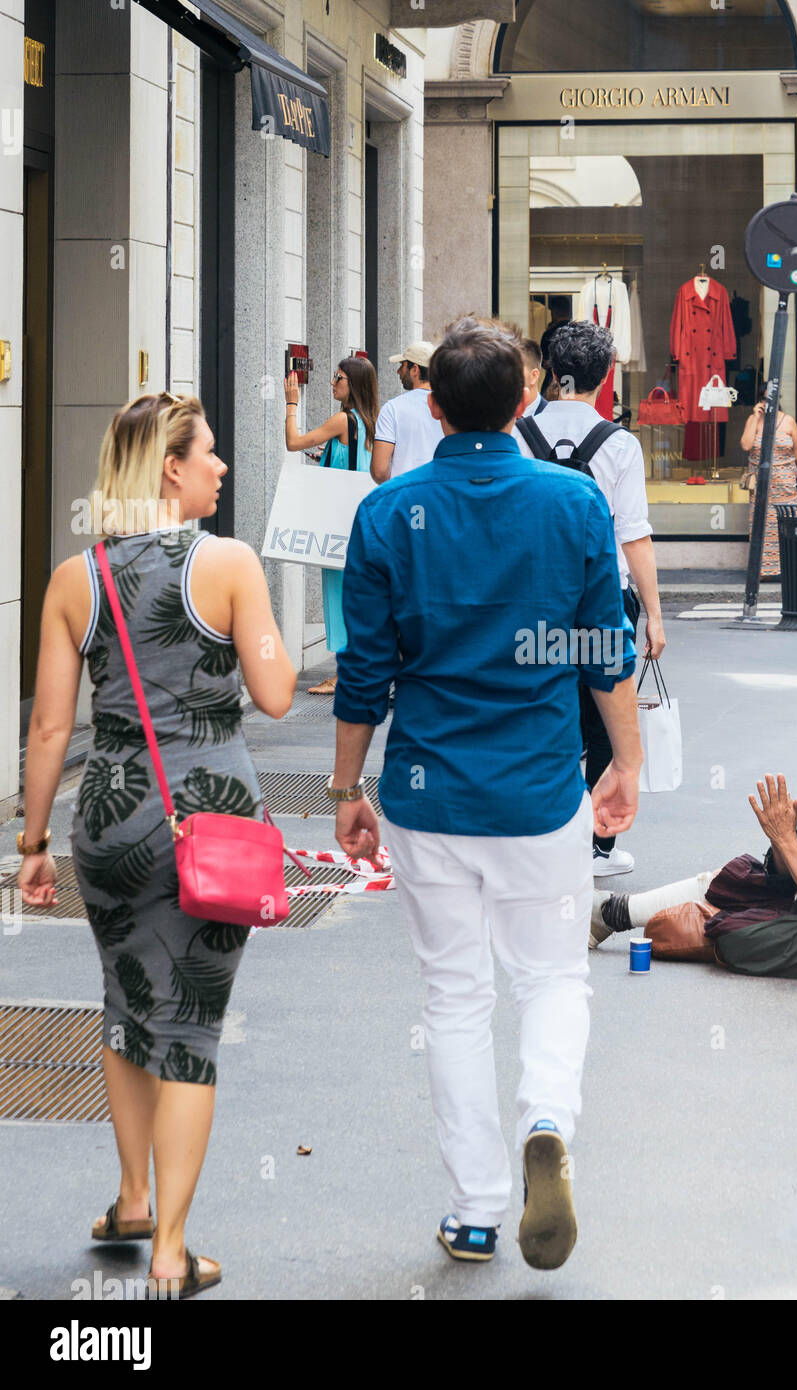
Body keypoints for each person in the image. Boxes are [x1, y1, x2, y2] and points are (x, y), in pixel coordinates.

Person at [328, 317, 642, 1270]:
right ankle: (546, 1118)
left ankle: (472, 1209)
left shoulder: (388, 513)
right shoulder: (574, 504)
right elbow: (604, 652)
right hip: (541, 792)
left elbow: (362, 670)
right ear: (522, 401)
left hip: (428, 796)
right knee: (551, 976)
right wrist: (624, 763)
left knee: (454, 999)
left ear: (430, 404)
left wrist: (348, 787)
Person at [17, 393, 296, 1299]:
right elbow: (279, 691)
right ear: (170, 468)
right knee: (190, 1030)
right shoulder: (229, 563)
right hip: (209, 814)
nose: (221, 467)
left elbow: (53, 729)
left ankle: (133, 1199)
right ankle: (171, 1252)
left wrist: (32, 841)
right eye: (209, 454)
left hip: (108, 814)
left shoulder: (75, 575)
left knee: (126, 1001)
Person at [514, 319, 665, 878]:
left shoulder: (516, 435)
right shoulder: (620, 445)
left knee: (540, 710)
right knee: (605, 715)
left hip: (531, 601)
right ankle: (596, 847)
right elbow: (635, 535)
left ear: (552, 374)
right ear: (605, 380)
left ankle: (541, 833)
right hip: (604, 598)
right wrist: (653, 614)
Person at [591, 697, 797, 977]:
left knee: (734, 937)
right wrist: (780, 839)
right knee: (730, 877)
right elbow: (785, 874)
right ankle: (613, 911)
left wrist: (787, 839)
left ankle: (624, 914)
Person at [285, 356, 377, 696]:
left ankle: (343, 675)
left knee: (338, 595)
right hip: (363, 520)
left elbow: (293, 442)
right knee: (358, 596)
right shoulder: (372, 421)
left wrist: (292, 404)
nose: (333, 383)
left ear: (352, 383)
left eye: (338, 377)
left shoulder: (343, 419)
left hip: (338, 521)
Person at [739, 387, 797, 579]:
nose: (766, 402)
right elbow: (746, 445)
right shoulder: (753, 421)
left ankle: (791, 568)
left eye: (770, 398)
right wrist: (755, 417)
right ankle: (763, 571)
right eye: (763, 398)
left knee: (789, 525)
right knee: (761, 527)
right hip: (761, 487)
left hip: (785, 486)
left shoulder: (788, 421)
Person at [371, 342, 444, 483]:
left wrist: (395, 487)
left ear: (415, 370)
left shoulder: (393, 408)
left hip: (405, 496)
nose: (398, 371)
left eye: (402, 366)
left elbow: (379, 471)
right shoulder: (453, 407)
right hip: (441, 496)